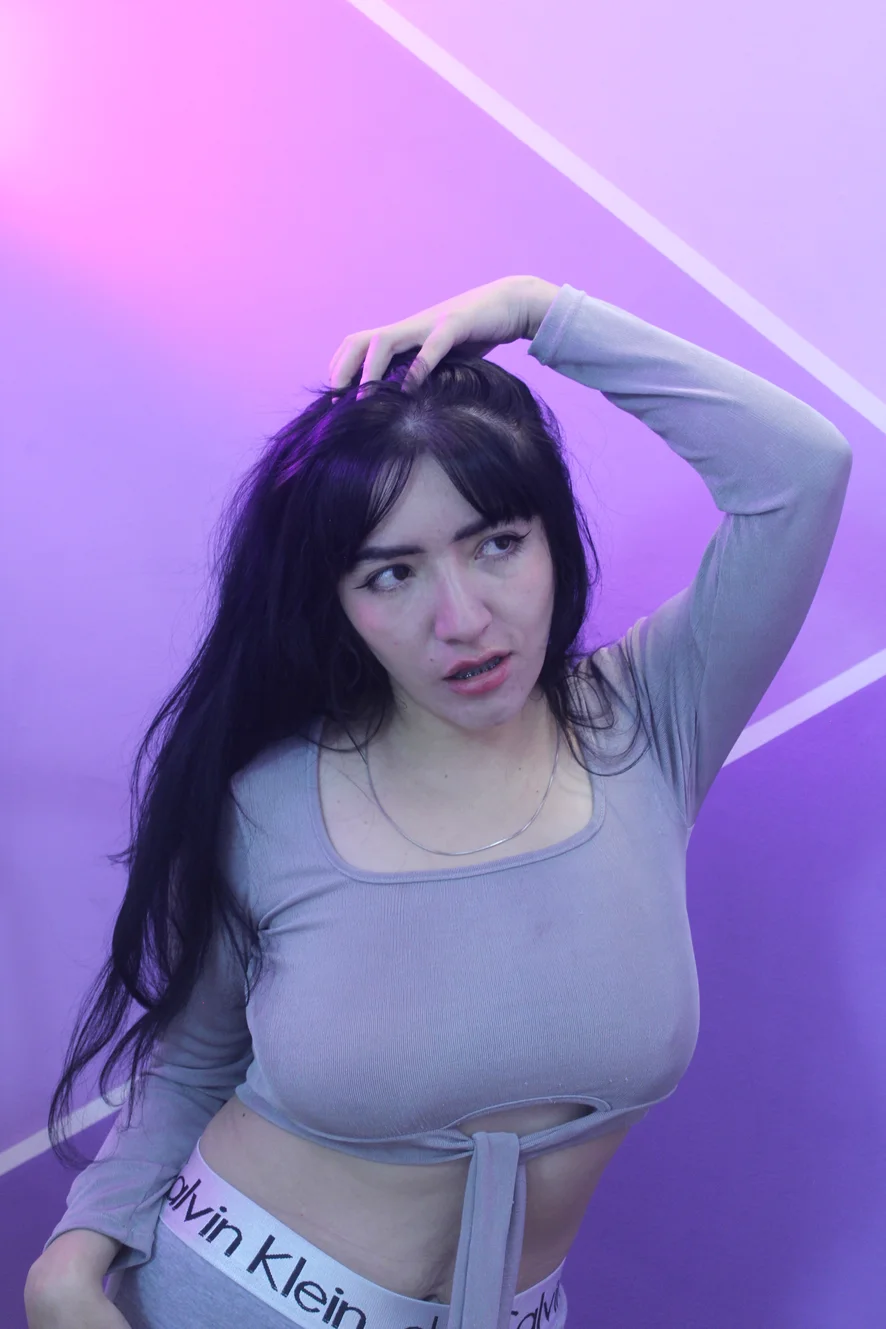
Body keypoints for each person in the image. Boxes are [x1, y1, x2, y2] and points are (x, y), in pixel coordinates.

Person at [25, 275, 852, 1329]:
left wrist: (540, 312)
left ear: (552, 539)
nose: (461, 617)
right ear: (338, 603)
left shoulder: (648, 720)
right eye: (392, 573)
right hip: (232, 1299)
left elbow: (800, 473)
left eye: (496, 543)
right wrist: (70, 1263)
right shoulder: (267, 804)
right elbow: (192, 1064)